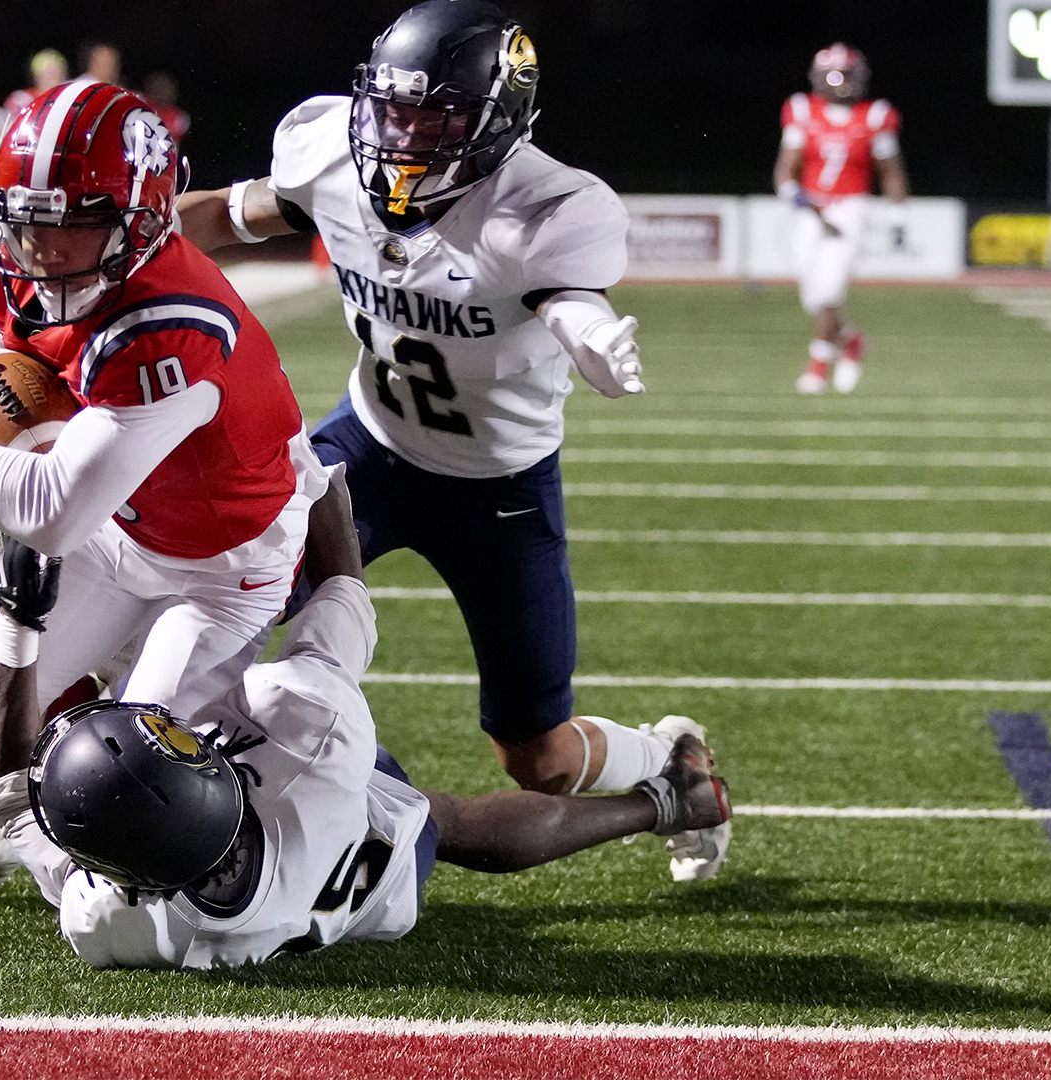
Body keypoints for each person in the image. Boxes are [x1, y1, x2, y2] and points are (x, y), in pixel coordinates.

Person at [176, 1, 728, 882]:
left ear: (499, 121)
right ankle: (93, 791)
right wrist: (122, 240)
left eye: (434, 117)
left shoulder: (545, 209)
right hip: (362, 451)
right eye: (393, 110)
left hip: (498, 490)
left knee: (538, 756)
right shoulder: (332, 154)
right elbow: (228, 215)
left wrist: (586, 329)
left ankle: (666, 759)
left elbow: (564, 296)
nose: (403, 137)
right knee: (217, 598)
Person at [0, 472, 732, 968]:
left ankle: (673, 801)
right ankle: (667, 800)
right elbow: (343, 591)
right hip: (360, 868)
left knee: (44, 768)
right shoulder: (309, 739)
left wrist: (22, 618)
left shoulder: (104, 917)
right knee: (439, 821)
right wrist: (312, 480)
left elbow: (10, 789)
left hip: (239, 866)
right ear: (215, 772)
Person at [0, 81, 326, 805]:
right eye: (26, 217)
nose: (43, 245)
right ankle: (72, 733)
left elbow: (55, 512)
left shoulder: (168, 323)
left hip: (220, 567)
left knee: (125, 787)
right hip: (118, 524)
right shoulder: (35, 264)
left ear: (142, 219)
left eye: (78, 219)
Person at [775, 43, 906, 395]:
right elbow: (786, 168)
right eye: (832, 75)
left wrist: (897, 216)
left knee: (829, 287)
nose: (839, 82)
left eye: (845, 75)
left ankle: (817, 365)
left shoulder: (875, 116)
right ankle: (849, 339)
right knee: (812, 294)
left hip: (850, 207)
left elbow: (890, 171)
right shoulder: (802, 110)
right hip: (811, 206)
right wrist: (795, 196)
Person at [1, 47, 65, 121]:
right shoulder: (22, 100)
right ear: (37, 76)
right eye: (47, 72)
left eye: (55, 72)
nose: (51, 76)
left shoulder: (68, 98)